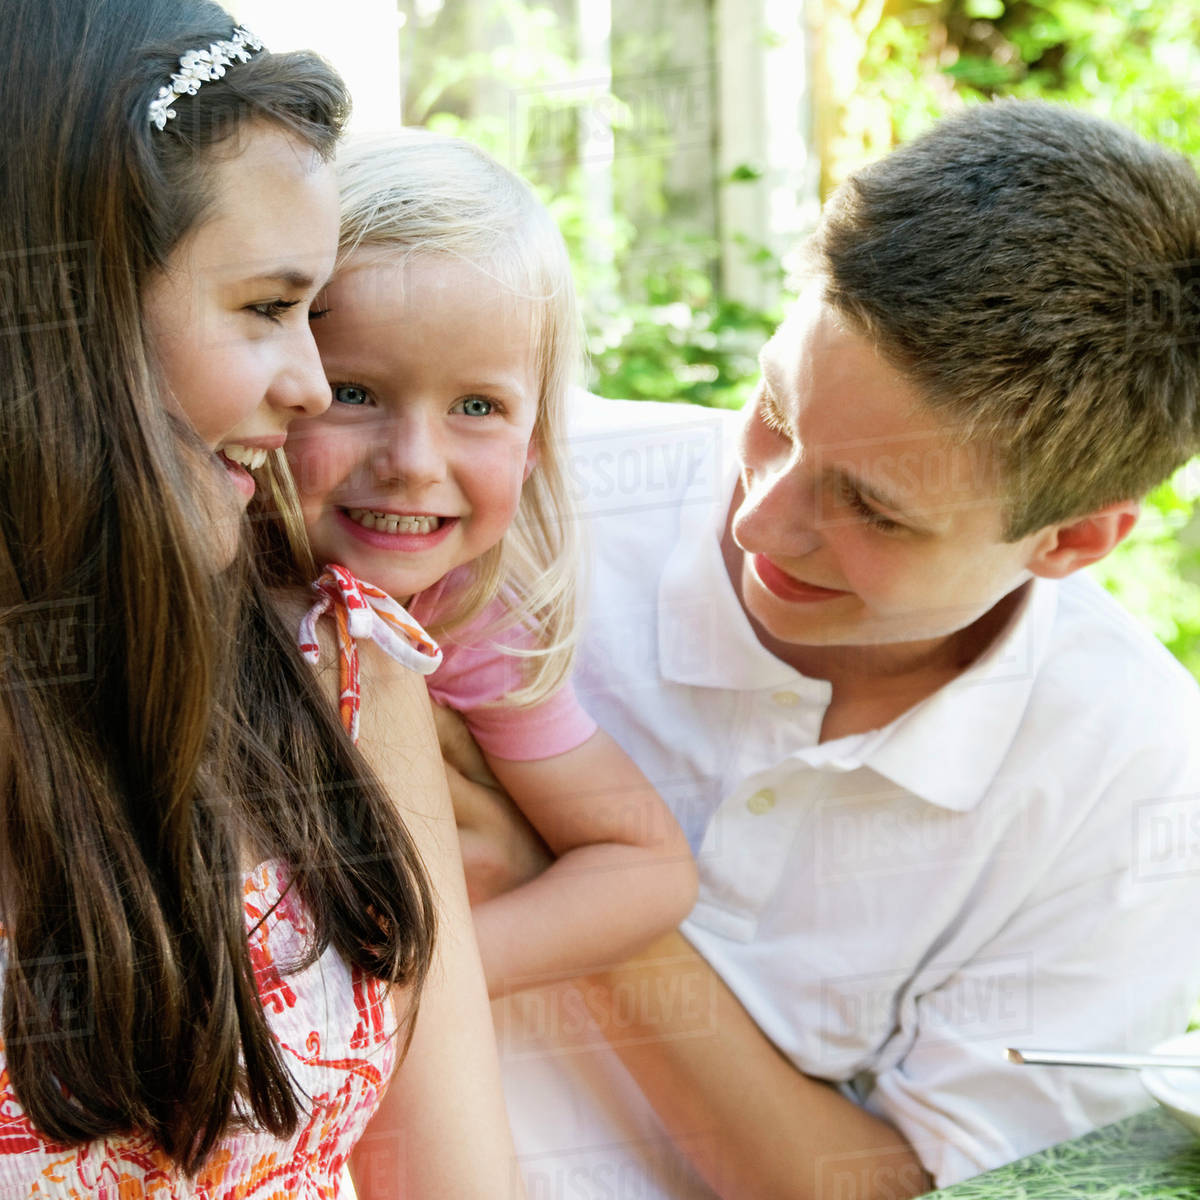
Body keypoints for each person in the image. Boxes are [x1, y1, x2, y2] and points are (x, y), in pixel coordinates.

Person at [443, 100, 1200, 1198]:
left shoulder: (1135, 774)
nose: (760, 520)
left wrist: (569, 877)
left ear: (1073, 540)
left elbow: (908, 1190)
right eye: (774, 413)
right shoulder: (512, 496)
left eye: (876, 512)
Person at [0, 3, 518, 1196]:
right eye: (269, 307)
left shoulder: (344, 670)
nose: (311, 386)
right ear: (62, 316)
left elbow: (453, 1178)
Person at [278, 129, 698, 1000]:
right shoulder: (187, 557)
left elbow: (645, 867)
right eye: (355, 392)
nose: (413, 460)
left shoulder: (467, 618)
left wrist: (402, 995)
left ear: (535, 440)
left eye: (477, 406)